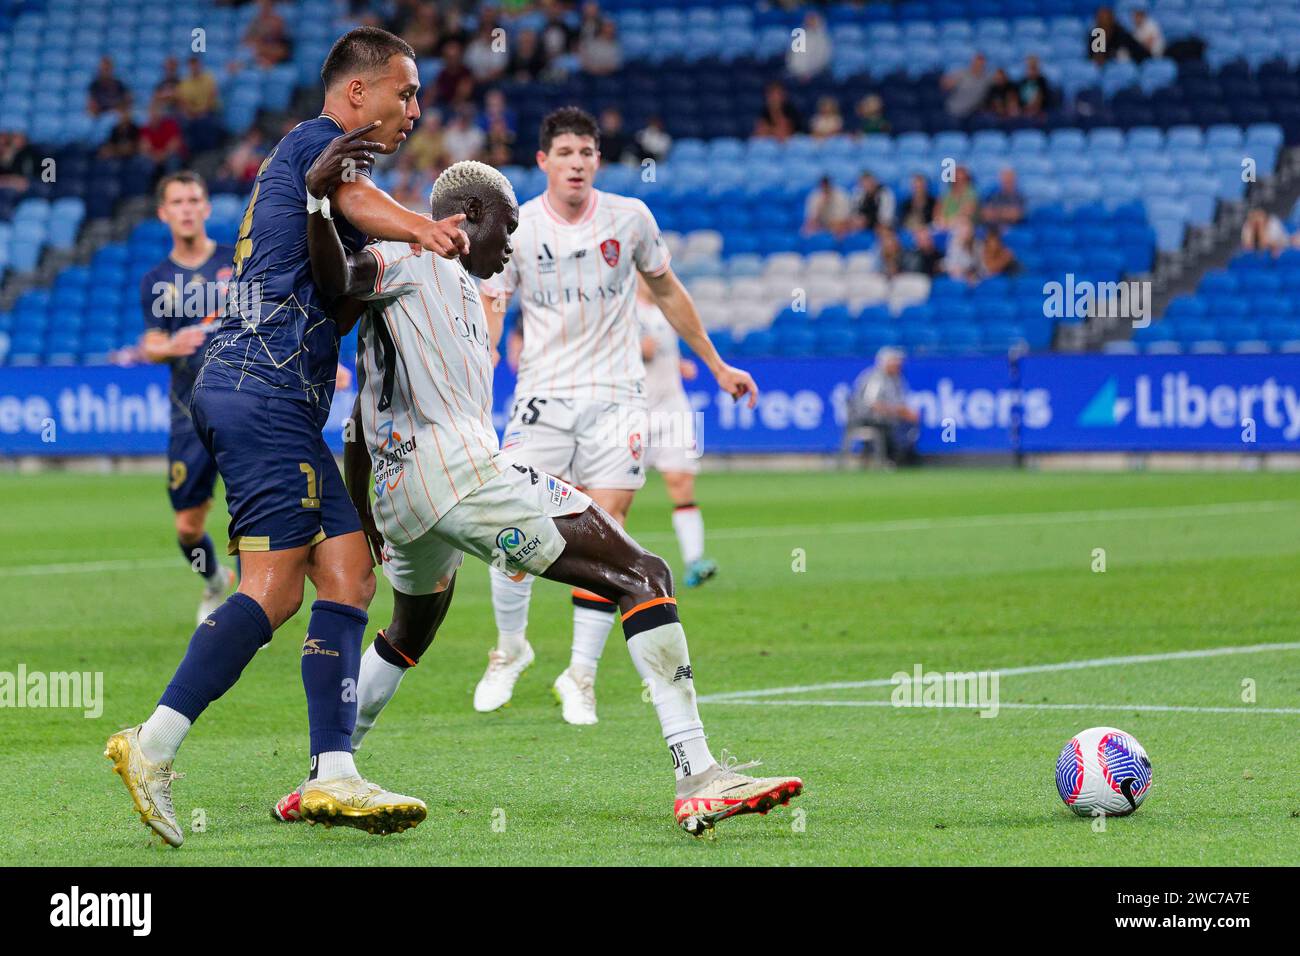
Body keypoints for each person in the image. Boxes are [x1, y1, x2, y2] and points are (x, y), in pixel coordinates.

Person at [268, 159, 800, 836]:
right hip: (459, 475)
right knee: (643, 574)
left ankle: (328, 774)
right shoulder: (407, 256)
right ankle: (699, 775)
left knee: (410, 629)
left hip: (406, 493)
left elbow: (358, 421)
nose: (513, 244)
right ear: (470, 220)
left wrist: (369, 515)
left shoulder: (463, 291)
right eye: (509, 227)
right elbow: (337, 278)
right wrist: (317, 205)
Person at [104, 26, 473, 848]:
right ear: (355, 94)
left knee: (348, 572)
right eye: (404, 92)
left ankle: (332, 773)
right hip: (258, 389)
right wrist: (426, 229)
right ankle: (151, 745)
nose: (414, 109)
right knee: (272, 591)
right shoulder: (320, 145)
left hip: (274, 396)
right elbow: (357, 204)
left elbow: (339, 274)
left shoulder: (323, 179)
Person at [474, 107, 759, 726]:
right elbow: (494, 305)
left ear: (597, 160)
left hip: (617, 397)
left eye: (586, 152)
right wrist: (482, 364)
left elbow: (667, 291)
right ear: (544, 161)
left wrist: (714, 364)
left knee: (606, 529)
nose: (576, 162)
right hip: (542, 396)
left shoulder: (631, 218)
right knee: (508, 523)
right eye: (565, 152)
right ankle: (510, 648)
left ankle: (580, 673)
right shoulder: (517, 227)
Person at [138, 172, 238, 626]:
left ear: (206, 208)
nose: (185, 208)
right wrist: (166, 346)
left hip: (241, 407)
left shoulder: (234, 264)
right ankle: (215, 579)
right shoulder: (157, 280)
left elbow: (262, 323)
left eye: (193, 199)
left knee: (257, 516)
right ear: (164, 213)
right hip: (188, 415)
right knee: (187, 529)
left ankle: (255, 606)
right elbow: (151, 343)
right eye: (176, 201)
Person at [634, 274, 717, 587]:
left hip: (672, 408)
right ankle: (604, 563)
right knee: (616, 492)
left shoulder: (667, 312)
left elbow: (665, 352)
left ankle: (695, 561)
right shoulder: (624, 309)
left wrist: (680, 366)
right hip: (633, 411)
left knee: (681, 481)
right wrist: (636, 349)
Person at [847, 348, 919, 466]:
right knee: (894, 427)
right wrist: (897, 411)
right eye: (895, 362)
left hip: (888, 418)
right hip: (867, 418)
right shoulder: (875, 378)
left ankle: (904, 458)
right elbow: (871, 404)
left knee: (909, 424)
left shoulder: (897, 379)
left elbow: (901, 401)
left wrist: (905, 412)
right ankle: (891, 459)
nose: (898, 365)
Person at [941, 52, 992, 119]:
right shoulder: (961, 73)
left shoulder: (988, 78)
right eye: (976, 62)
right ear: (972, 63)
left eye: (981, 63)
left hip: (975, 112)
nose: (978, 65)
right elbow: (944, 84)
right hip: (956, 111)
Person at [787, 11, 832, 81]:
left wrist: (811, 73)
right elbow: (793, 58)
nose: (811, 23)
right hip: (797, 75)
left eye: (813, 20)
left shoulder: (824, 39)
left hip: (817, 75)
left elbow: (824, 59)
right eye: (809, 20)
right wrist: (798, 73)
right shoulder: (799, 37)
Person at [935, 165, 978, 230]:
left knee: (964, 224)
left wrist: (950, 222)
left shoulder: (971, 193)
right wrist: (942, 220)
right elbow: (937, 211)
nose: (959, 181)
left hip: (961, 224)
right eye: (957, 178)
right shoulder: (947, 192)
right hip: (944, 223)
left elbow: (967, 212)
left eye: (962, 179)